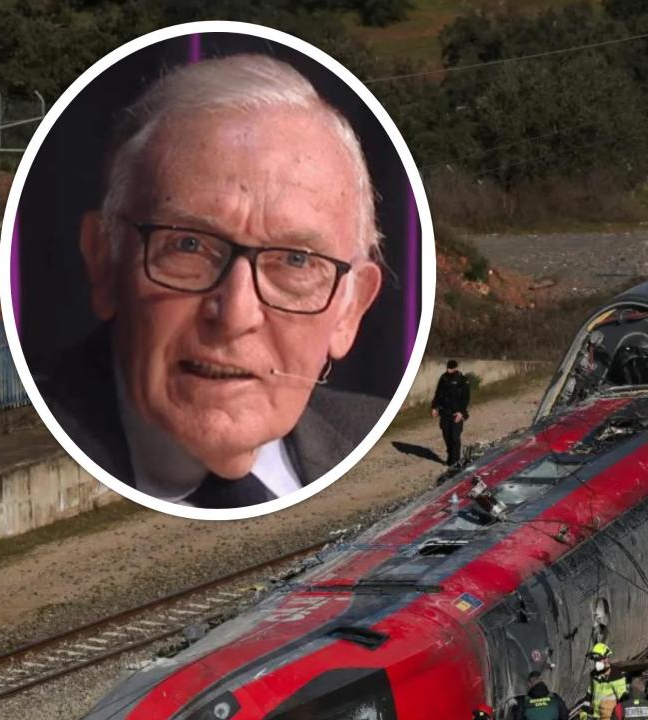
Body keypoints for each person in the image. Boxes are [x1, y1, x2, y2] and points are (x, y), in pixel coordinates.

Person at [35, 55, 387, 509]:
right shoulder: (39, 437)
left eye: (296, 261)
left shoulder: (376, 435)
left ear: (350, 309)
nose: (235, 315)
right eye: (189, 247)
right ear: (104, 260)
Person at [431, 359, 470, 466]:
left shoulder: (462, 380)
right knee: (447, 436)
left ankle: (455, 462)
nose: (449, 370)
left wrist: (461, 413)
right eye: (448, 368)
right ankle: (451, 456)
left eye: (452, 368)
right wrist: (434, 407)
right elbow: (438, 394)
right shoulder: (443, 378)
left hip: (457, 413)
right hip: (445, 413)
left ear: (456, 368)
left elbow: (466, 398)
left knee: (455, 437)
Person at [588, 656, 626, 720]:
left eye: (599, 659)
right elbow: (591, 693)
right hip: (599, 717)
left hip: (610, 717)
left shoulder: (616, 675)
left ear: (607, 659)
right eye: (595, 660)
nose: (597, 662)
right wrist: (586, 712)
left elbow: (622, 698)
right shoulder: (594, 674)